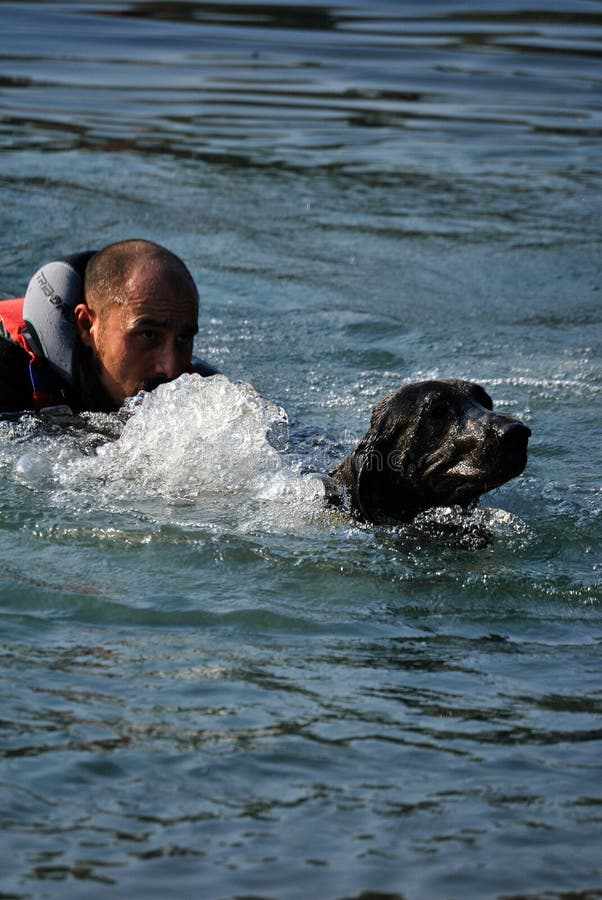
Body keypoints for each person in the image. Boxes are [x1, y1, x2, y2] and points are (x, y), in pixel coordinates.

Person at [0, 239, 219, 413]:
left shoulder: (201, 389)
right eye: (149, 335)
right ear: (87, 326)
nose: (171, 368)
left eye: (183, 338)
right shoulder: (8, 373)